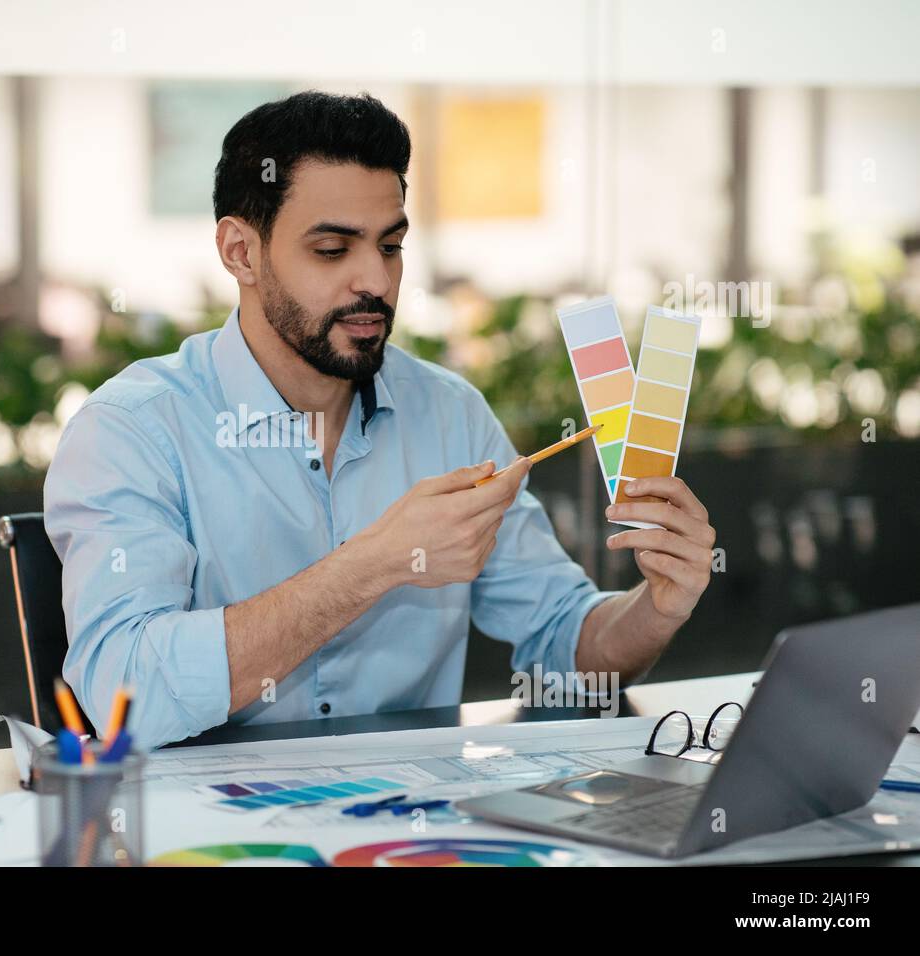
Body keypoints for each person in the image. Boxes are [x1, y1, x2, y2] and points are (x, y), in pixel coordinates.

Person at [45, 91, 715, 750]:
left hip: (413, 832)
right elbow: (119, 699)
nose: (376, 280)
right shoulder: (131, 431)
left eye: (390, 247)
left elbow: (568, 651)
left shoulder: (450, 414)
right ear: (241, 253)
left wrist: (656, 609)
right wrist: (375, 563)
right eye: (333, 250)